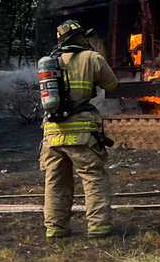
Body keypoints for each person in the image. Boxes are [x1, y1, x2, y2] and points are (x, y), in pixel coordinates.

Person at [41, 20, 119, 240]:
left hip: (52, 133)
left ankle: (55, 228)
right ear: (80, 37)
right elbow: (111, 84)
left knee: (55, 182)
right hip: (82, 133)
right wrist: (97, 54)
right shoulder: (92, 58)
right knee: (93, 177)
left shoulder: (50, 62)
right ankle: (98, 226)